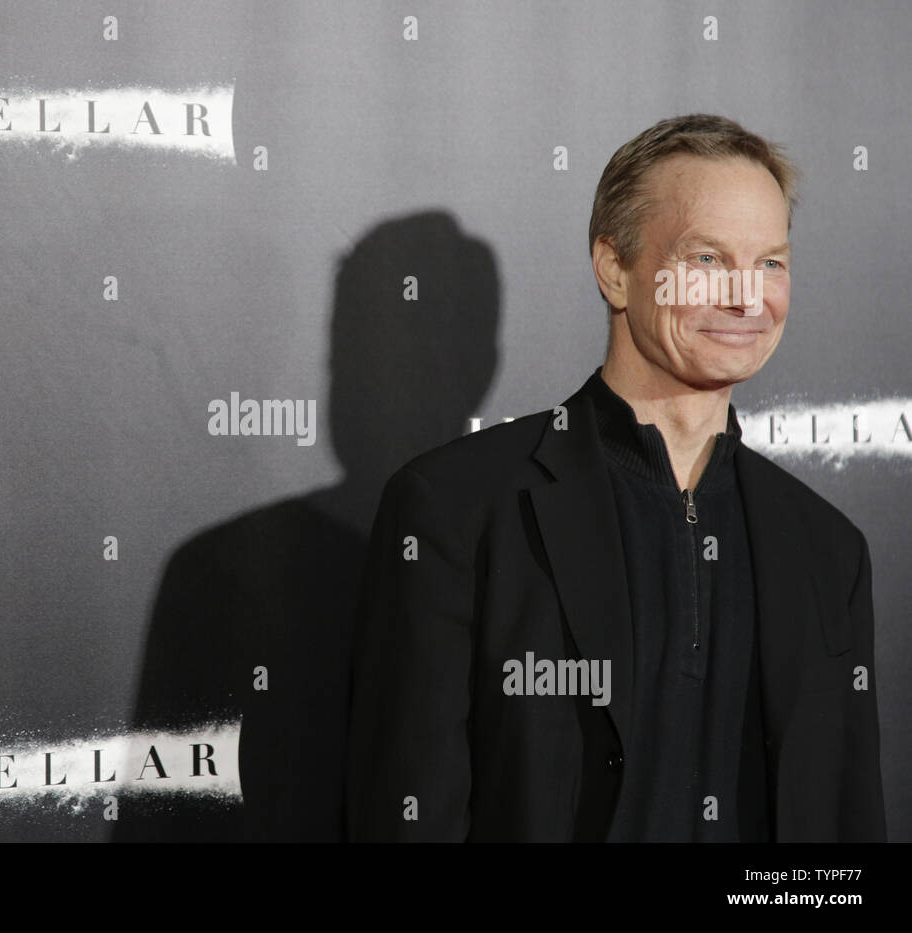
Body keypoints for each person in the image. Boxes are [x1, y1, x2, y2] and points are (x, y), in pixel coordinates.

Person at [344, 113, 885, 842]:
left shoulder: (828, 549)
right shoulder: (454, 512)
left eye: (771, 263)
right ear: (614, 268)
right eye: (707, 260)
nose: (747, 298)